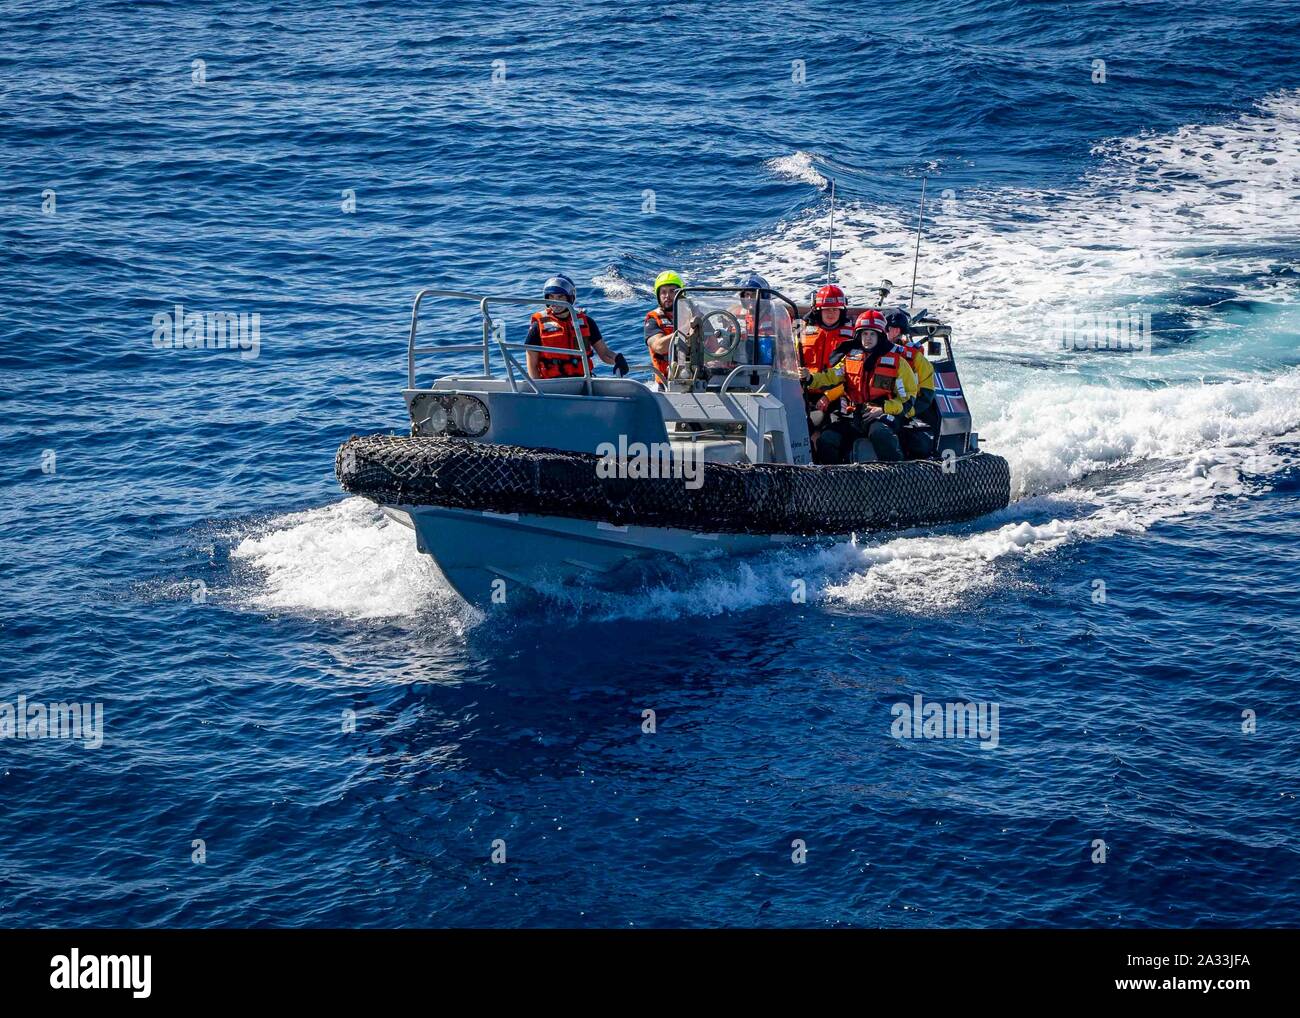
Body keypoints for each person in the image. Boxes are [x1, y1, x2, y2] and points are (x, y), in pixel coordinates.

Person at [805, 310, 916, 463]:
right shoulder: (849, 358)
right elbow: (830, 376)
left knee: (881, 434)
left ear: (880, 336)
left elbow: (907, 399)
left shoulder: (898, 363)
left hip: (882, 414)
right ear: (858, 336)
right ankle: (833, 481)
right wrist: (809, 378)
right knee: (827, 439)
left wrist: (883, 409)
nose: (868, 338)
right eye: (864, 334)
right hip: (854, 414)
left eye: (872, 334)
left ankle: (898, 477)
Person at [526, 274, 628, 380]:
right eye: (551, 297)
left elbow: (604, 354)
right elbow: (532, 365)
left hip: (583, 382)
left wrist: (617, 359)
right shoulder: (537, 326)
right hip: (552, 385)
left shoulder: (587, 322)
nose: (555, 301)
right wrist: (539, 389)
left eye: (560, 297)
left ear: (570, 298)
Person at [886, 309, 938, 459]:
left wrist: (908, 411)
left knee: (919, 444)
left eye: (899, 329)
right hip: (872, 409)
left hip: (905, 410)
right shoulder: (863, 352)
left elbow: (927, 393)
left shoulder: (914, 357)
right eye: (890, 328)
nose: (895, 332)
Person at [800, 284, 853, 374]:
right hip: (803, 384)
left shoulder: (853, 335)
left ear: (842, 312)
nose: (831, 313)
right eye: (826, 309)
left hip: (837, 386)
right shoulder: (801, 330)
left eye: (835, 309)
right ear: (818, 311)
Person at [644, 270, 683, 386]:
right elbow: (659, 346)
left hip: (696, 376)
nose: (667, 296)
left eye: (672, 291)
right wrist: (685, 329)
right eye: (663, 292)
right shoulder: (652, 320)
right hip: (667, 383)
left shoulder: (693, 313)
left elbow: (711, 342)